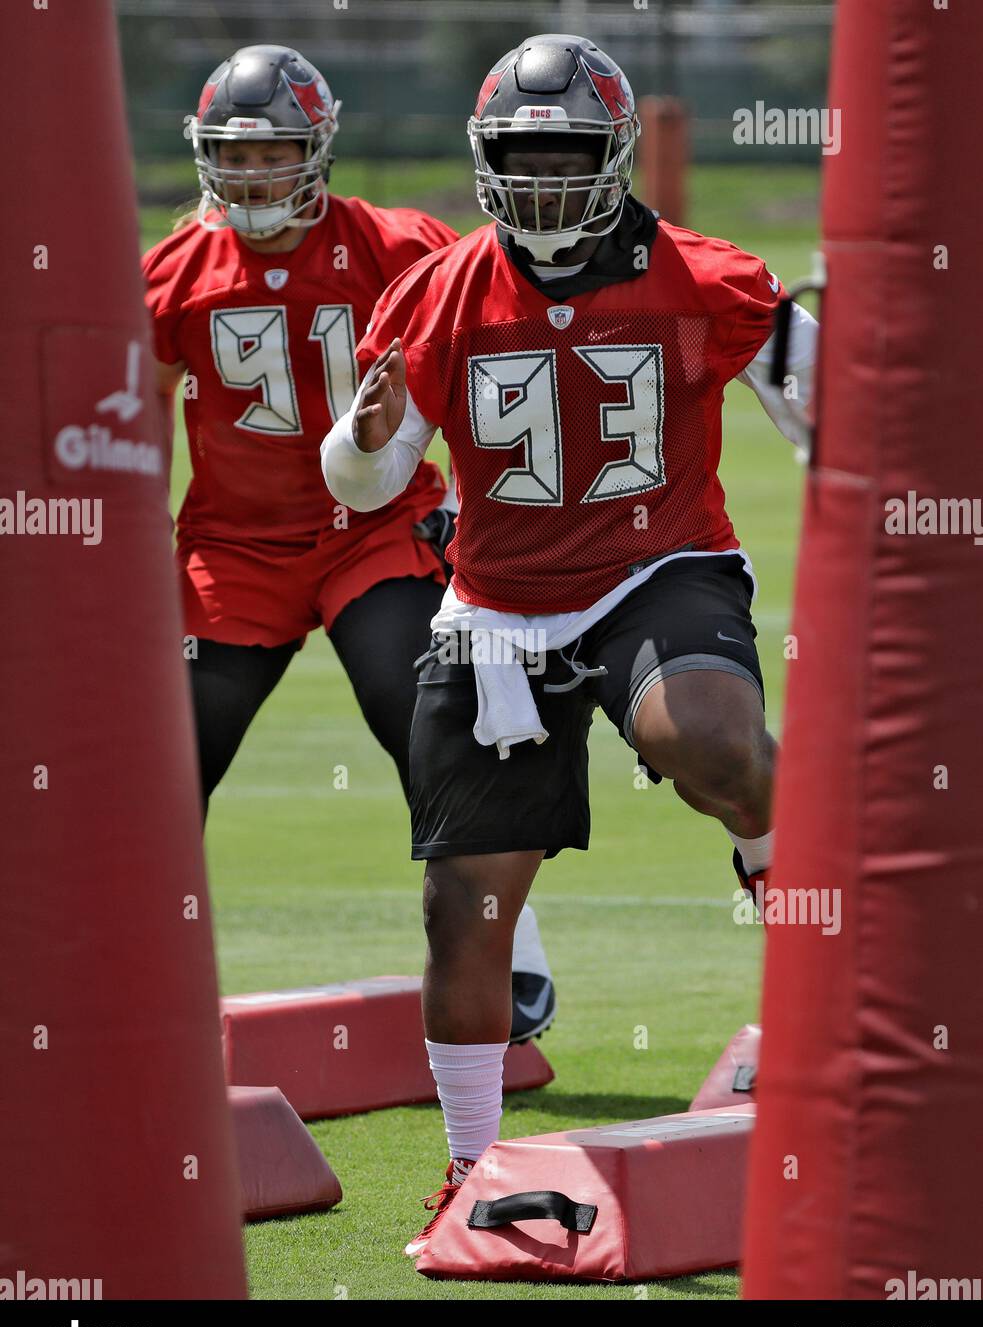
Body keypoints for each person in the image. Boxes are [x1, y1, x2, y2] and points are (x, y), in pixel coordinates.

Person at [320, 32, 819, 1256]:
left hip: (660, 567)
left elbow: (820, 403)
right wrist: (358, 434)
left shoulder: (703, 274)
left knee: (705, 738)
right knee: (464, 912)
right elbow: (369, 473)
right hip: (495, 609)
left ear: (615, 160)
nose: (543, 183)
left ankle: (773, 861)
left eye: (568, 157)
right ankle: (468, 1167)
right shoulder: (441, 287)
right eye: (521, 159)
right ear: (486, 163)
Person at [143, 43, 557, 1044]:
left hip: (371, 529)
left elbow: (480, 344)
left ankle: (514, 954)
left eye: (272, 152)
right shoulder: (171, 271)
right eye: (232, 157)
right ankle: (139, 984)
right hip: (233, 549)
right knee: (165, 762)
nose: (251, 175)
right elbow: (142, 414)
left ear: (315, 150)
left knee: (422, 721)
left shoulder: (391, 241)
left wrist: (472, 497)